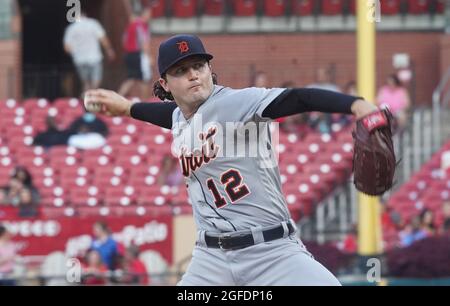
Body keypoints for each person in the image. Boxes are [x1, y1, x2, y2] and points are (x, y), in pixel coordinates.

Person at [84, 34, 379, 285]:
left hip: (273, 252)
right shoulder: (180, 117)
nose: (193, 74)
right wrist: (126, 108)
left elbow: (298, 98)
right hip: (211, 259)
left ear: (210, 68)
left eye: (199, 65)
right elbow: (169, 116)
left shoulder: (236, 103)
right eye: (181, 70)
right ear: (165, 83)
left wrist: (356, 104)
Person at [63, 9, 116, 94]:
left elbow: (67, 48)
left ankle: (86, 99)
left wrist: (76, 53)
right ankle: (93, 97)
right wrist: (109, 50)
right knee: (96, 81)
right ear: (85, 15)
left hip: (80, 59)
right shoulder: (93, 24)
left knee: (86, 83)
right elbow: (103, 39)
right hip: (94, 58)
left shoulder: (71, 28)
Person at [118, 8, 153, 98]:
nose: (150, 17)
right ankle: (145, 105)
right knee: (144, 80)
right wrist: (149, 56)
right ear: (143, 15)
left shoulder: (131, 25)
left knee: (131, 79)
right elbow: (143, 42)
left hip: (128, 54)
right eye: (148, 14)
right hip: (137, 54)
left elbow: (123, 40)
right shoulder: (141, 25)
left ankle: (117, 98)